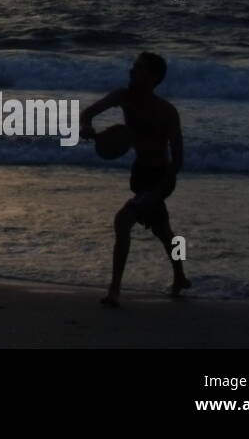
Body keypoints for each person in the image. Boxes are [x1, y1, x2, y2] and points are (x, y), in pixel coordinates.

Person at [81, 51, 190, 307]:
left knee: (123, 221)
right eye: (133, 67)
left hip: (161, 177)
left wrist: (160, 189)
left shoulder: (167, 112)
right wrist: (87, 127)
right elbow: (88, 112)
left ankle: (114, 291)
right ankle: (181, 277)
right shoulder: (123, 97)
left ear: (152, 78)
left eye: (138, 69)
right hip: (140, 174)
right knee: (164, 232)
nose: (131, 71)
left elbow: (179, 159)